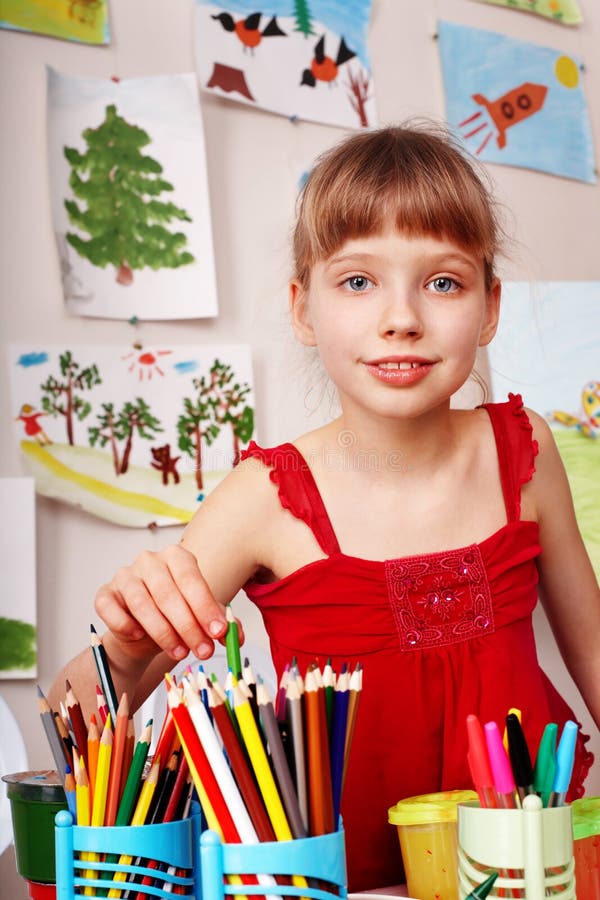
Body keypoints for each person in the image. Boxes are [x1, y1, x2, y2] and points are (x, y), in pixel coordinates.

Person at [49, 124, 599, 891]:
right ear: (303, 309)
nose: (401, 316)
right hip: (332, 881)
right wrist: (129, 642)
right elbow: (74, 725)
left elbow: (594, 657)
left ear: (490, 305)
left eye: (442, 282)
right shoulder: (262, 497)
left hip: (523, 872)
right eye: (358, 282)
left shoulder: (525, 450)